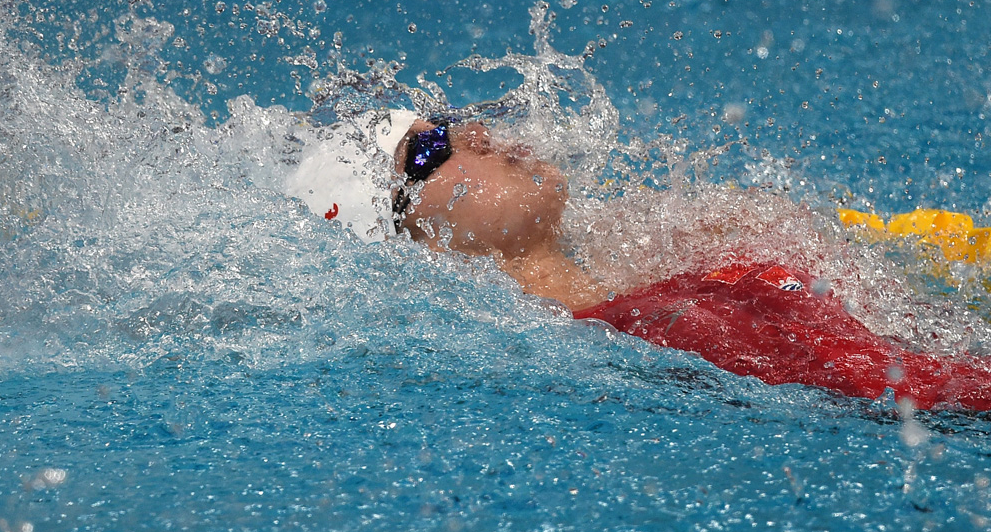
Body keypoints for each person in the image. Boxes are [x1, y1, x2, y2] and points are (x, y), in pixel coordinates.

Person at [287, 110, 991, 411]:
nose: (474, 130)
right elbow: (930, 390)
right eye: (432, 150)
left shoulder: (664, 260)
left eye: (445, 117)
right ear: (417, 242)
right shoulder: (651, 328)